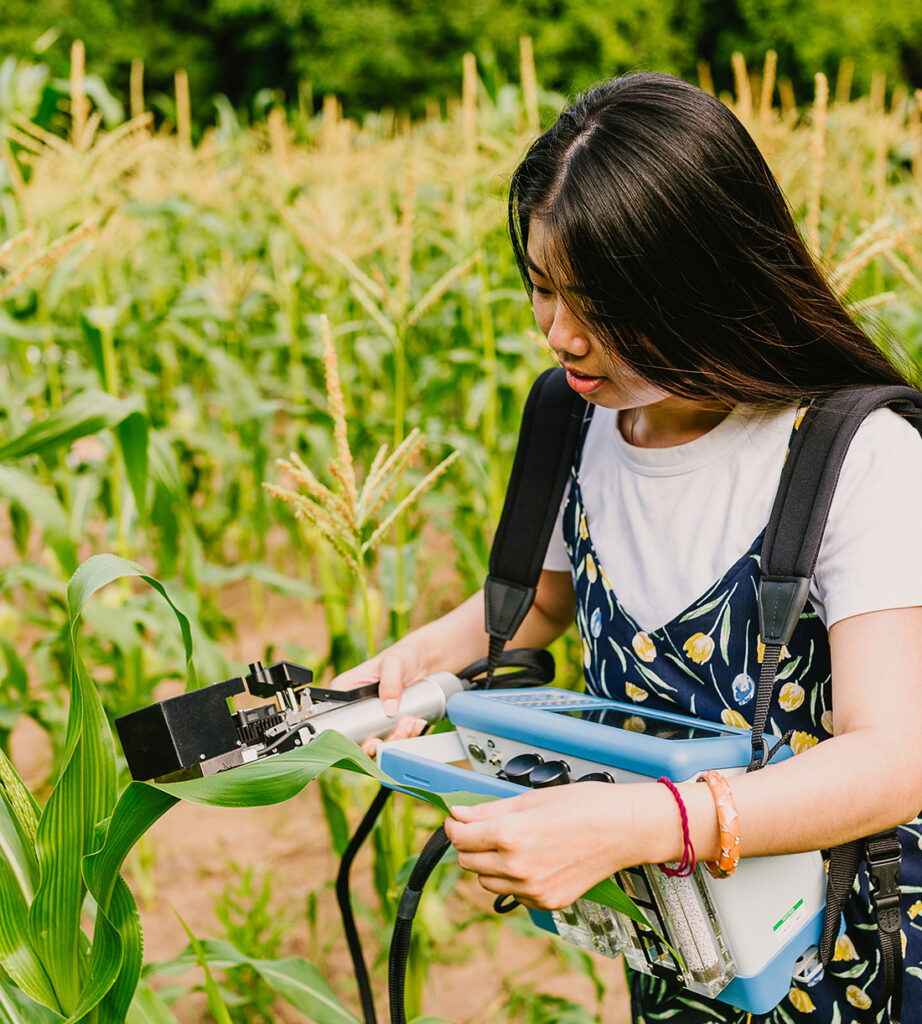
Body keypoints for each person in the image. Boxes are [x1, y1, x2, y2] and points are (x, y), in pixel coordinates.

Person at [333, 73, 922, 1022]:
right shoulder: (580, 423)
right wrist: (411, 670)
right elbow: (546, 601)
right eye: (541, 287)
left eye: (601, 303)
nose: (561, 335)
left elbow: (894, 757)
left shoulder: (854, 457)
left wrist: (648, 824)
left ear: (705, 281)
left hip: (856, 964)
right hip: (681, 954)